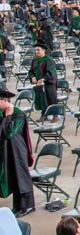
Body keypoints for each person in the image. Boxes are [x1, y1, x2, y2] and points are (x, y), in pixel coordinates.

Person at [0, 89, 34, 217]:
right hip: (7, 151)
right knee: (13, 177)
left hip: (18, 151)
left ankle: (28, 206)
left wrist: (8, 116)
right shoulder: (2, 114)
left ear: (4, 101)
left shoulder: (18, 114)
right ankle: (18, 206)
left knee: (21, 177)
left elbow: (9, 132)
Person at [28, 41, 57, 119]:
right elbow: (31, 71)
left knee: (50, 98)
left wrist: (43, 79)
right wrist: (32, 77)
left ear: (43, 50)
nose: (36, 52)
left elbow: (51, 72)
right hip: (39, 83)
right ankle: (44, 115)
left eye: (38, 50)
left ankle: (55, 116)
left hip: (49, 83)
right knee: (42, 99)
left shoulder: (49, 60)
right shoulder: (35, 60)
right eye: (36, 50)